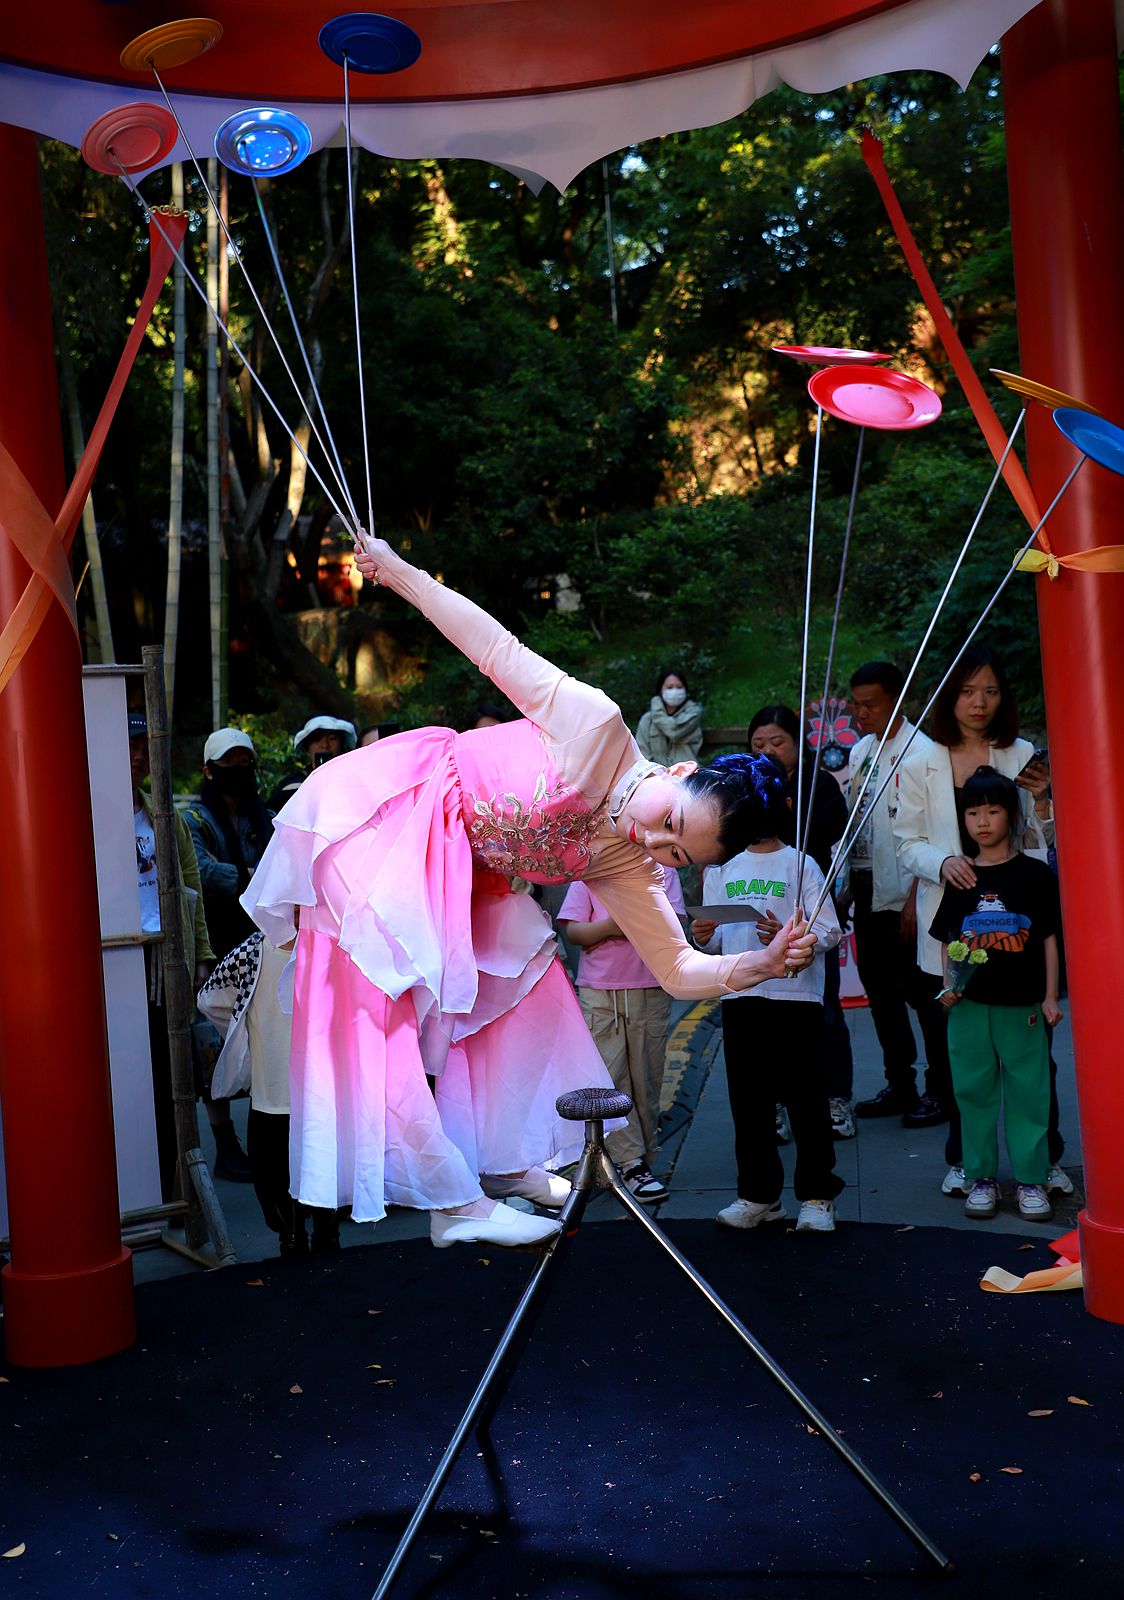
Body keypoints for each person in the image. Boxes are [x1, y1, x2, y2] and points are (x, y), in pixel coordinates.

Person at [242, 534, 817, 1253]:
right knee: (388, 1004)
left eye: (679, 855)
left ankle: (507, 1162)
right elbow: (490, 643)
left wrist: (758, 966)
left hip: (464, 875)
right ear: (679, 765)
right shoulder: (598, 725)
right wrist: (396, 572)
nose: (659, 848)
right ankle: (452, 1203)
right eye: (671, 823)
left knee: (525, 983)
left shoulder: (623, 861)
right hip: (397, 816)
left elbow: (675, 968)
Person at [892, 642, 1069, 1199]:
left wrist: (1043, 805)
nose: (979, 702)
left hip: (1017, 927)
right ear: (951, 697)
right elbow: (906, 842)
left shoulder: (1022, 755)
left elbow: (1047, 844)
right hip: (955, 928)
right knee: (959, 1058)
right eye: (968, 691)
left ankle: (1046, 1159)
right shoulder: (921, 761)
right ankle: (965, 1162)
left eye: (990, 691)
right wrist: (941, 862)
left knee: (1032, 1059)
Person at [691, 754, 844, 1233]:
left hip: (795, 998)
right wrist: (702, 933)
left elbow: (829, 930)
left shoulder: (801, 864)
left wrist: (790, 936)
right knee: (749, 1101)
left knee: (806, 1098)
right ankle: (758, 1195)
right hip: (740, 994)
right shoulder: (721, 866)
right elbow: (713, 939)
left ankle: (818, 1195)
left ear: (781, 806)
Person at [929, 768, 1062, 1222]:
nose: (982, 821)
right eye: (972, 812)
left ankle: (1031, 1180)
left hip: (1023, 1003)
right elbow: (948, 936)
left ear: (1011, 814)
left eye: (992, 810)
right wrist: (949, 986)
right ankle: (979, 1177)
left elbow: (1047, 937)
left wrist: (1050, 997)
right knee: (972, 1092)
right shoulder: (963, 875)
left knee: (1030, 1091)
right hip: (968, 1006)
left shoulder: (1034, 873)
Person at [844, 662, 949, 1128]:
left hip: (909, 892)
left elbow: (930, 833)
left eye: (870, 705)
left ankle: (940, 1089)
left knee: (924, 994)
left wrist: (914, 898)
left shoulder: (923, 753)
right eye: (855, 704)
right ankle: (899, 1083)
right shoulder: (860, 751)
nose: (860, 713)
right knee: (880, 993)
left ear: (896, 701)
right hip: (866, 887)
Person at [747, 705, 855, 1141]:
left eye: (778, 743)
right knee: (765, 1015)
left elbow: (829, 831)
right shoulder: (745, 785)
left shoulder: (819, 784)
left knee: (823, 1009)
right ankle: (773, 1104)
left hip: (809, 905)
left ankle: (834, 1099)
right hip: (759, 912)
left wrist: (785, 813)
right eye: (758, 744)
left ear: (797, 744)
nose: (768, 750)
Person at [199, 932, 341, 1257]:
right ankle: (303, 1236)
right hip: (278, 1093)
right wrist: (243, 1037)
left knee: (302, 1172)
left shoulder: (326, 945)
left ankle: (318, 1234)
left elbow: (210, 999)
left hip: (307, 1092)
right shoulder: (253, 953)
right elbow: (209, 999)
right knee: (279, 1177)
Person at [557, 864, 687, 1203]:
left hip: (649, 986)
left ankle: (636, 1157)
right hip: (600, 991)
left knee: (646, 1078)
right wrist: (613, 927)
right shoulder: (590, 871)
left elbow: (672, 925)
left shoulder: (661, 870)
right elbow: (574, 931)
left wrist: (621, 926)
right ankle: (630, 1162)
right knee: (609, 1077)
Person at [129, 712, 215, 1201]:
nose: (139, 756)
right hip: (118, 962)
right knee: (125, 1071)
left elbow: (191, 888)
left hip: (165, 960)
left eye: (145, 747)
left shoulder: (165, 818)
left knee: (170, 1077)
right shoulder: (91, 812)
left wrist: (200, 954)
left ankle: (172, 1187)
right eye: (130, 746)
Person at [269, 716, 358, 811]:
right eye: (316, 739)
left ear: (342, 743)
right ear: (307, 746)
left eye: (332, 738)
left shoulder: (355, 781)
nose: (325, 745)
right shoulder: (291, 785)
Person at [636, 669, 705, 766]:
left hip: (687, 774)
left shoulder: (693, 713)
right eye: (669, 687)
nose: (674, 691)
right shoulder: (647, 720)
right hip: (656, 777)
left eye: (679, 687)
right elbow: (642, 754)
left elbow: (673, 732)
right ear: (661, 690)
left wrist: (656, 708)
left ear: (685, 690)